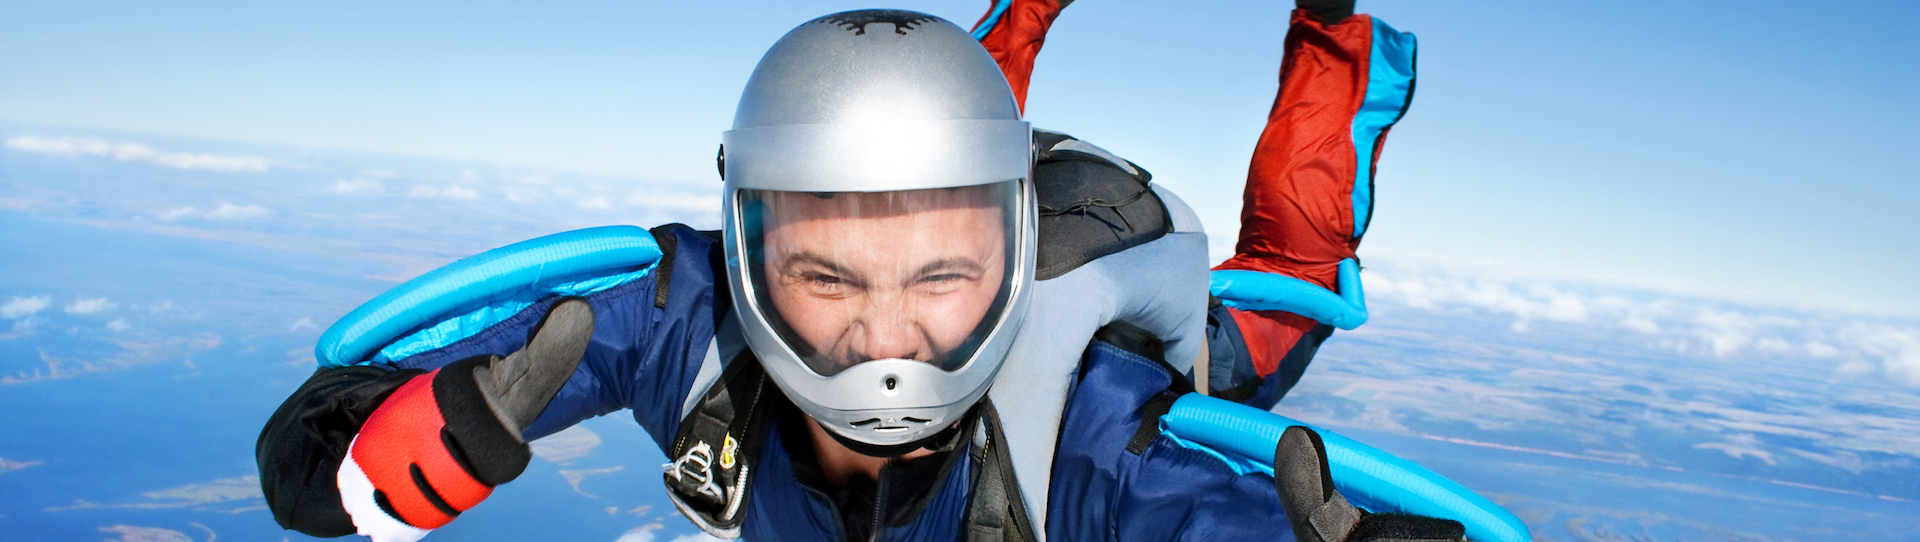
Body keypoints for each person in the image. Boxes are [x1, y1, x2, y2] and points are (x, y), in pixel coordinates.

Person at [257, 2, 1463, 541]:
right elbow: (324, 437)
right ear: (750, 252)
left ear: (1011, 257)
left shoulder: (1089, 435)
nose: (887, 343)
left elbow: (1196, 509)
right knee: (917, 136)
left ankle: (1337, 21)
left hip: (1130, 269)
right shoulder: (695, 322)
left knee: (1289, 275)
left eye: (939, 277)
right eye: (828, 278)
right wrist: (376, 448)